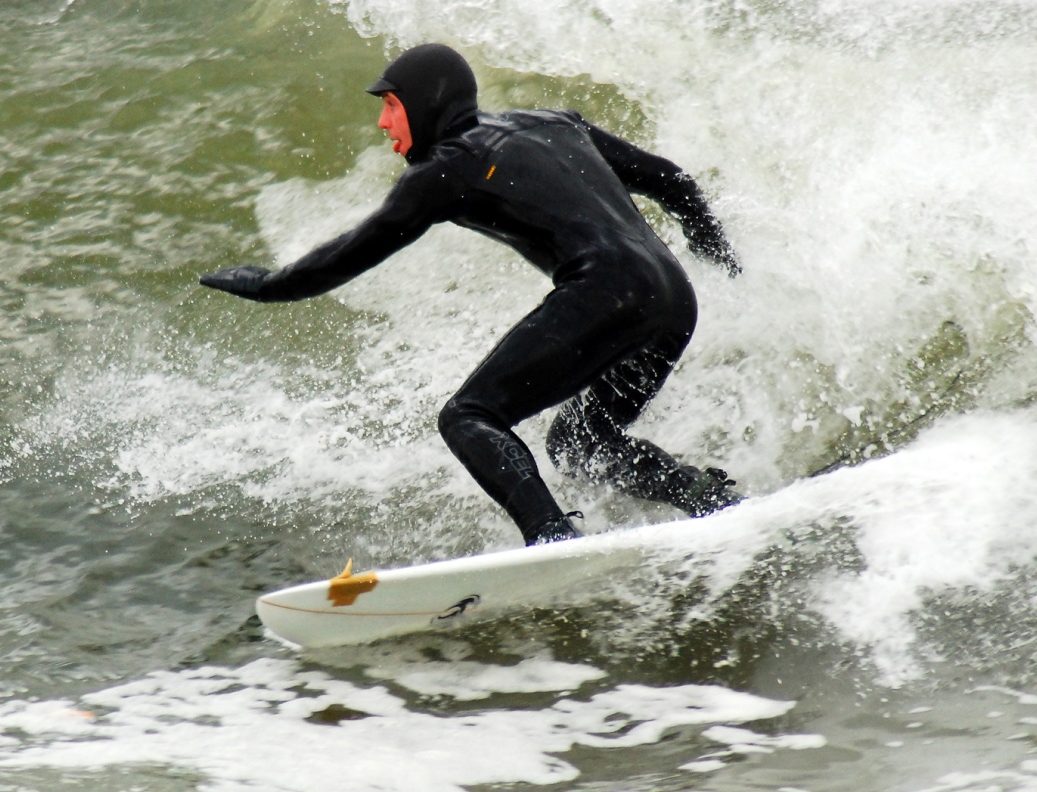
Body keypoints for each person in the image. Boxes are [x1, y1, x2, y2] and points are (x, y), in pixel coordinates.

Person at [200, 43, 743, 545]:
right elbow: (674, 181)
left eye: (391, 105)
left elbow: (349, 253)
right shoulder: (554, 123)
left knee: (468, 416)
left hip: (607, 292)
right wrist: (726, 265)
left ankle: (551, 538)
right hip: (673, 299)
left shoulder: (447, 168)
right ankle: (704, 496)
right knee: (581, 445)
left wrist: (269, 286)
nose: (382, 121)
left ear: (425, 103)